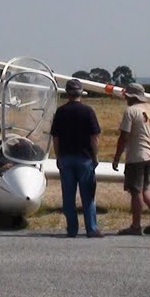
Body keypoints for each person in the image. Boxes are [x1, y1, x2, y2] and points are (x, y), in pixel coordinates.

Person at [49, 78, 102, 238]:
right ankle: (91, 229)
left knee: (68, 195)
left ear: (67, 93)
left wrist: (58, 156)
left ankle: (72, 229)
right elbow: (94, 137)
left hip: (66, 157)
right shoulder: (88, 111)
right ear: (81, 93)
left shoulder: (60, 112)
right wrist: (96, 156)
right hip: (84, 158)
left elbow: (55, 137)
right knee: (88, 195)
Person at [111, 82, 150, 236]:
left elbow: (124, 136)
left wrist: (116, 157)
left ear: (131, 97)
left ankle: (136, 225)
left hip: (136, 156)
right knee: (146, 188)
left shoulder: (131, 111)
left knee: (136, 191)